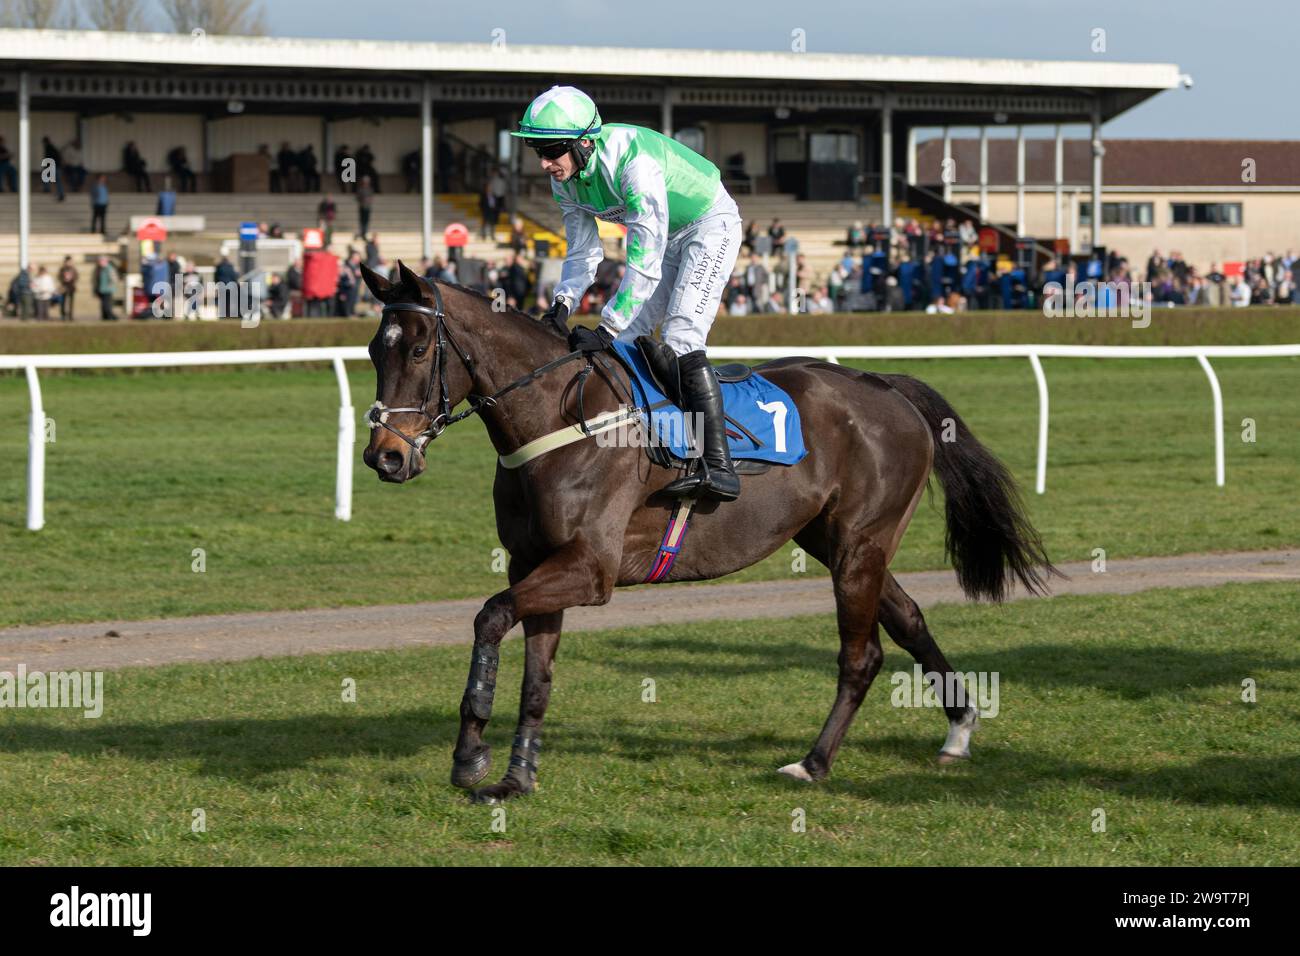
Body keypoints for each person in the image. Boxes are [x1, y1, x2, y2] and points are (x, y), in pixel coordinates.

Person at [512, 85, 742, 501]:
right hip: (668, 238)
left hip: (709, 226)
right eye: (537, 152)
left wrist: (605, 325)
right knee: (627, 342)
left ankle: (719, 466)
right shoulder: (566, 181)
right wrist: (562, 306)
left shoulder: (634, 163)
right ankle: (660, 434)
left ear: (584, 142)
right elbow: (584, 251)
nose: (545, 164)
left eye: (552, 151)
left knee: (680, 335)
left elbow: (645, 260)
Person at [94, 256, 118, 321]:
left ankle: (111, 316)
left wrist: (109, 285)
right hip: (102, 290)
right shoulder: (100, 269)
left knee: (106, 305)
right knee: (103, 305)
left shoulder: (109, 269)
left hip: (107, 290)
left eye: (101, 261)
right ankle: (105, 317)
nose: (100, 263)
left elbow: (114, 279)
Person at [41, 137, 65, 201]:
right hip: (57, 166)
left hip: (52, 166)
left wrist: (45, 167)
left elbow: (48, 158)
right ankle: (61, 193)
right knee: (58, 181)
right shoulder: (53, 148)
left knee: (45, 176)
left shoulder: (48, 148)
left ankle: (47, 189)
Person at [58, 256, 78, 321]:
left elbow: (76, 276)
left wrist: (72, 280)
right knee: (63, 302)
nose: (68, 263)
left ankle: (70, 315)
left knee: (71, 303)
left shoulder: (73, 269)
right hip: (64, 286)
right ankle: (63, 315)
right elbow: (59, 276)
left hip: (71, 286)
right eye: (67, 262)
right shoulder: (62, 269)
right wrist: (64, 280)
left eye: (70, 262)